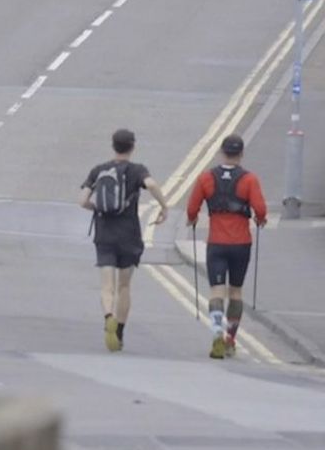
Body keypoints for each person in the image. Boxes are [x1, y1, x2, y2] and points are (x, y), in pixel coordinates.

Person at [80, 129, 169, 352]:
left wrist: (96, 207)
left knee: (107, 286)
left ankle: (108, 315)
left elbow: (82, 200)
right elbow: (150, 184)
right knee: (124, 285)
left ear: (113, 146)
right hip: (128, 235)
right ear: (132, 146)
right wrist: (164, 206)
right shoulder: (137, 170)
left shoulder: (98, 170)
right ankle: (118, 332)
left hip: (104, 234)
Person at [186, 134, 267, 359]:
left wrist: (192, 219)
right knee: (236, 292)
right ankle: (230, 340)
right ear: (241, 153)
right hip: (241, 244)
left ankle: (216, 335)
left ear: (222, 152)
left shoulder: (206, 178)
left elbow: (192, 208)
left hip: (216, 243)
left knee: (216, 292)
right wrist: (260, 219)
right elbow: (260, 209)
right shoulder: (249, 179)